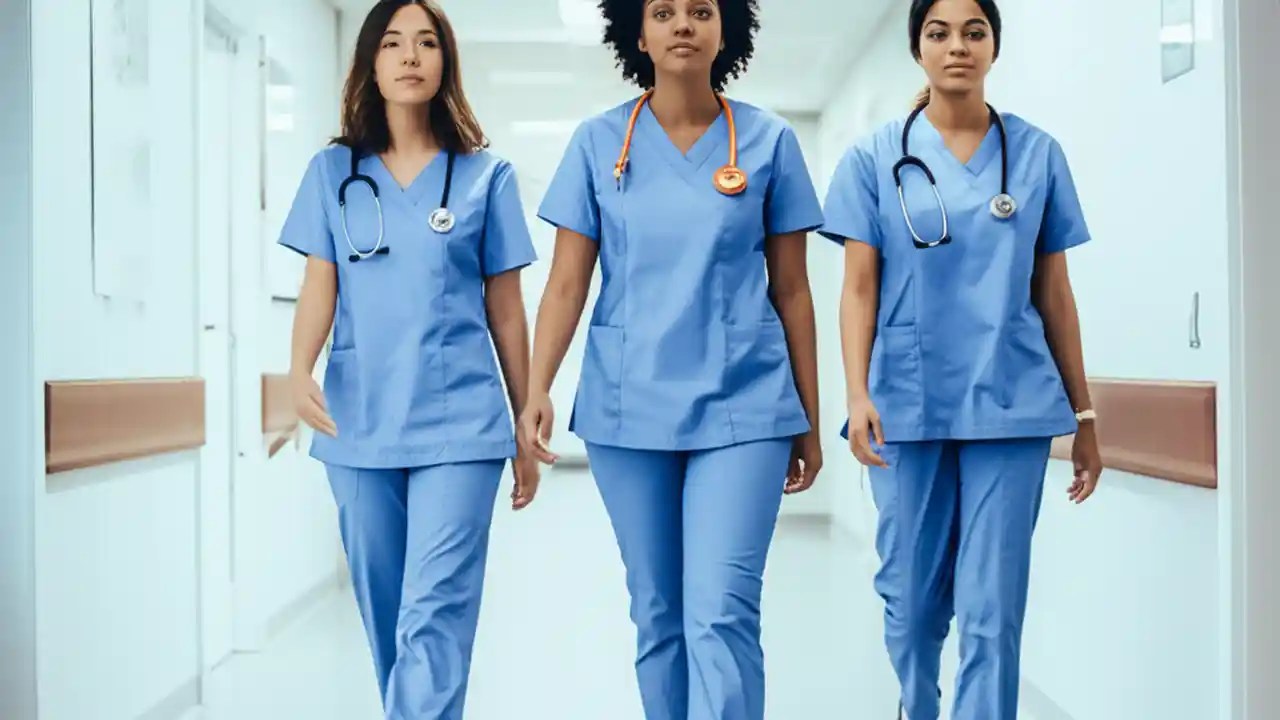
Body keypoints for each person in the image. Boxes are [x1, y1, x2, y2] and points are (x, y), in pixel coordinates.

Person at [519, 0, 824, 717]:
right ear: (640, 31)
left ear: (727, 29)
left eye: (700, 10)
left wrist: (808, 415)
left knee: (720, 611)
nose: (682, 23)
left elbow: (793, 291)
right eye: (663, 11)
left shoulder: (769, 141)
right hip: (630, 409)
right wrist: (536, 386)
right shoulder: (599, 143)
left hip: (745, 406)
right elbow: (567, 284)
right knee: (658, 614)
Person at [819, 0, 1103, 718]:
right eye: (939, 33)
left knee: (993, 609)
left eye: (974, 32)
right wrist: (855, 394)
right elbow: (857, 289)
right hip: (905, 406)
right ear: (918, 47)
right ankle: (918, 706)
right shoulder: (874, 158)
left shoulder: (1036, 155)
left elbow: (1056, 296)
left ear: (994, 48)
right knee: (911, 603)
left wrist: (1085, 411)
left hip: (1010, 404)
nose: (957, 47)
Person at [279, 2, 539, 717]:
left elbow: (507, 309)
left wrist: (525, 419)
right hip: (358, 423)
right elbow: (319, 284)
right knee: (389, 616)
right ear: (370, 61)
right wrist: (299, 369)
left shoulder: (488, 177)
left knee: (435, 617)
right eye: (393, 43)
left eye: (427, 42)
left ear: (445, 62)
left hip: (461, 426)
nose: (411, 55)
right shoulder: (332, 171)